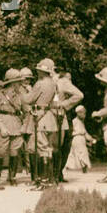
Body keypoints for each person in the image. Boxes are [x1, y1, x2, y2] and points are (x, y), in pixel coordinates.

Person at [20, 57, 83, 190]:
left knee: (42, 148)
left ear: (43, 71)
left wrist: (22, 92)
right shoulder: (54, 84)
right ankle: (49, 179)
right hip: (51, 118)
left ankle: (43, 181)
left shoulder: (40, 83)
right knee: (48, 149)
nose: (37, 72)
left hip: (40, 118)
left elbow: (28, 99)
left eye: (39, 70)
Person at [0, 69, 29, 186]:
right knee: (1, 152)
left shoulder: (21, 96)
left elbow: (27, 112)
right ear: (13, 83)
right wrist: (0, 127)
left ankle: (12, 177)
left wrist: (24, 127)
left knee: (14, 152)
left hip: (17, 126)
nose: (20, 85)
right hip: (4, 125)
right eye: (18, 82)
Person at [66, 106, 91, 173]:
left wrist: (90, 139)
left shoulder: (81, 122)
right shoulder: (74, 121)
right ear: (78, 113)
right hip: (77, 138)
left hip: (81, 138)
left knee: (80, 153)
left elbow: (84, 132)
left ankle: (83, 167)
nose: (84, 115)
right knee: (81, 153)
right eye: (83, 113)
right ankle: (83, 167)